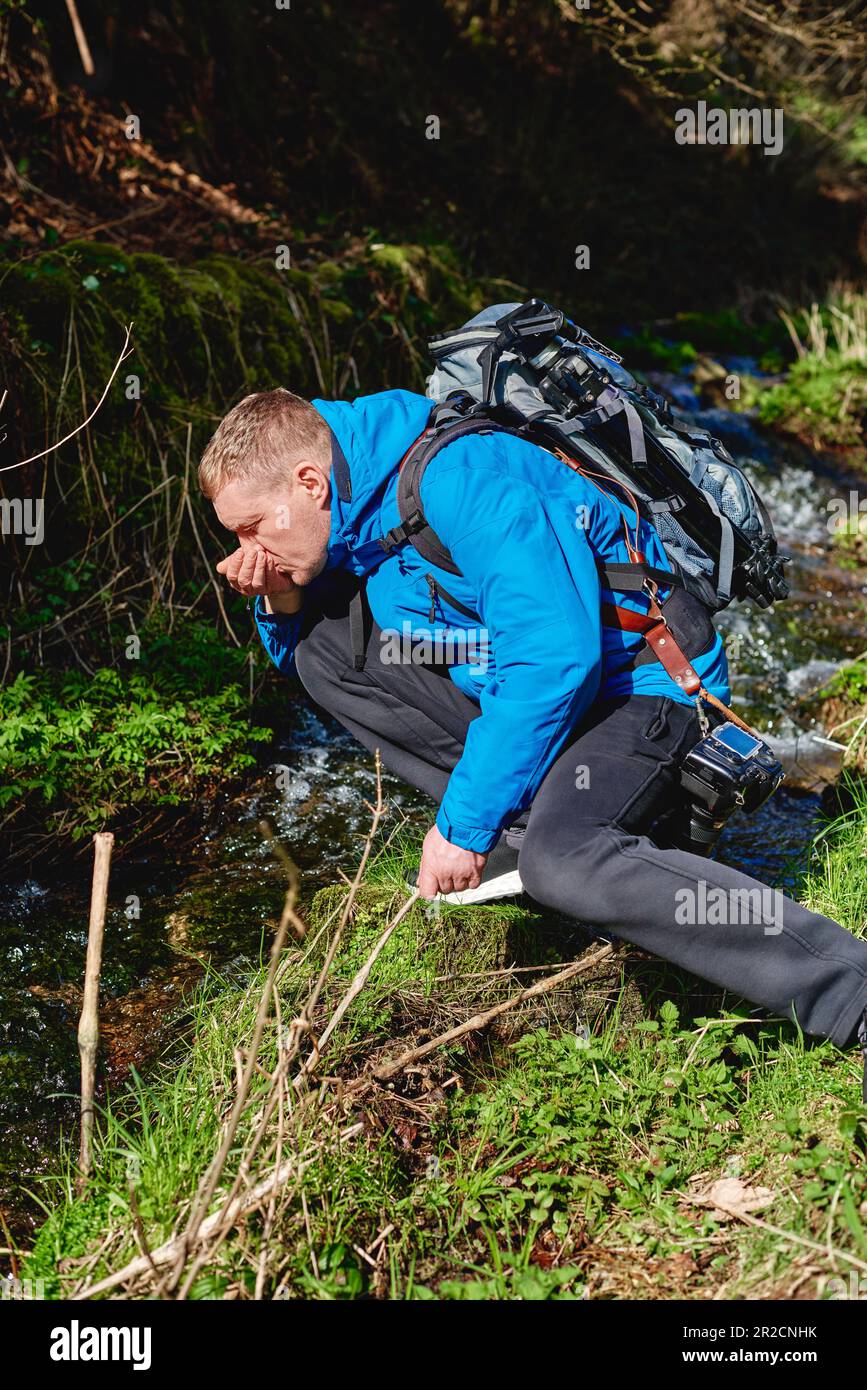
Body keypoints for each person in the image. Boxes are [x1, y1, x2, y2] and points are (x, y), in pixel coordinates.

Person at [199, 385, 867, 1079]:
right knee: (321, 647)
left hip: (645, 689)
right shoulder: (355, 505)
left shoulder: (462, 479)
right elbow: (317, 664)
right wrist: (276, 596)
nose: (244, 550)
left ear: (309, 482)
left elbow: (554, 659)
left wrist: (462, 825)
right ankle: (525, 823)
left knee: (565, 859)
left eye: (252, 527)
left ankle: (848, 990)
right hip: (553, 699)